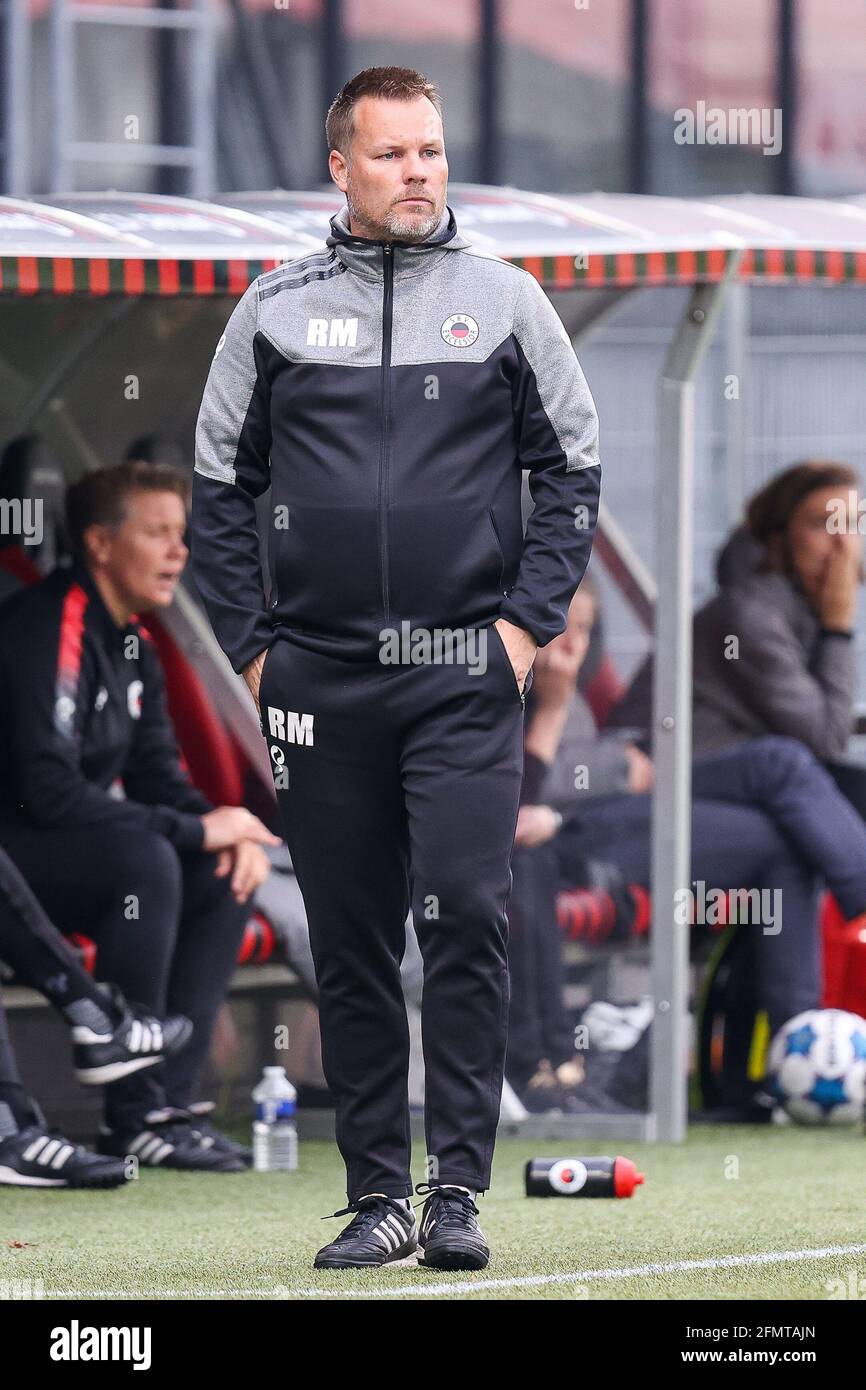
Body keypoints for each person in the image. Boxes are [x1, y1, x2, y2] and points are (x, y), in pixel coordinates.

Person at [191, 65, 600, 1269]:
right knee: (352, 930)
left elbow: (572, 468)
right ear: (341, 169)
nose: (417, 170)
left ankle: (455, 1194)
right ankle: (376, 1194)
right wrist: (256, 652)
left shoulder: (507, 299)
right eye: (391, 154)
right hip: (316, 677)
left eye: (429, 150)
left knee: (467, 907)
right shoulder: (270, 309)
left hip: (462, 669)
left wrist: (522, 628)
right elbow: (220, 489)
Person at [0, 461, 279, 1171]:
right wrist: (193, 830)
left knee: (218, 873)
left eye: (181, 535)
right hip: (19, 852)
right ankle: (130, 1116)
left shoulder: (137, 641)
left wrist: (230, 829)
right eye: (157, 533)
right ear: (99, 543)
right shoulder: (49, 623)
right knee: (149, 858)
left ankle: (167, 1111)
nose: (178, 551)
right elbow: (46, 792)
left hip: (74, 847)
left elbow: (159, 778)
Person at [508, 583, 866, 1113]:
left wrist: (616, 752)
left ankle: (798, 1047)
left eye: (585, 630)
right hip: (576, 835)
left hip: (620, 808)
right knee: (783, 823)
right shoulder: (506, 694)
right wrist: (592, 745)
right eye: (561, 629)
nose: (572, 646)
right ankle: (802, 1031)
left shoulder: (572, 697)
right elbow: (513, 803)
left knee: (781, 769)